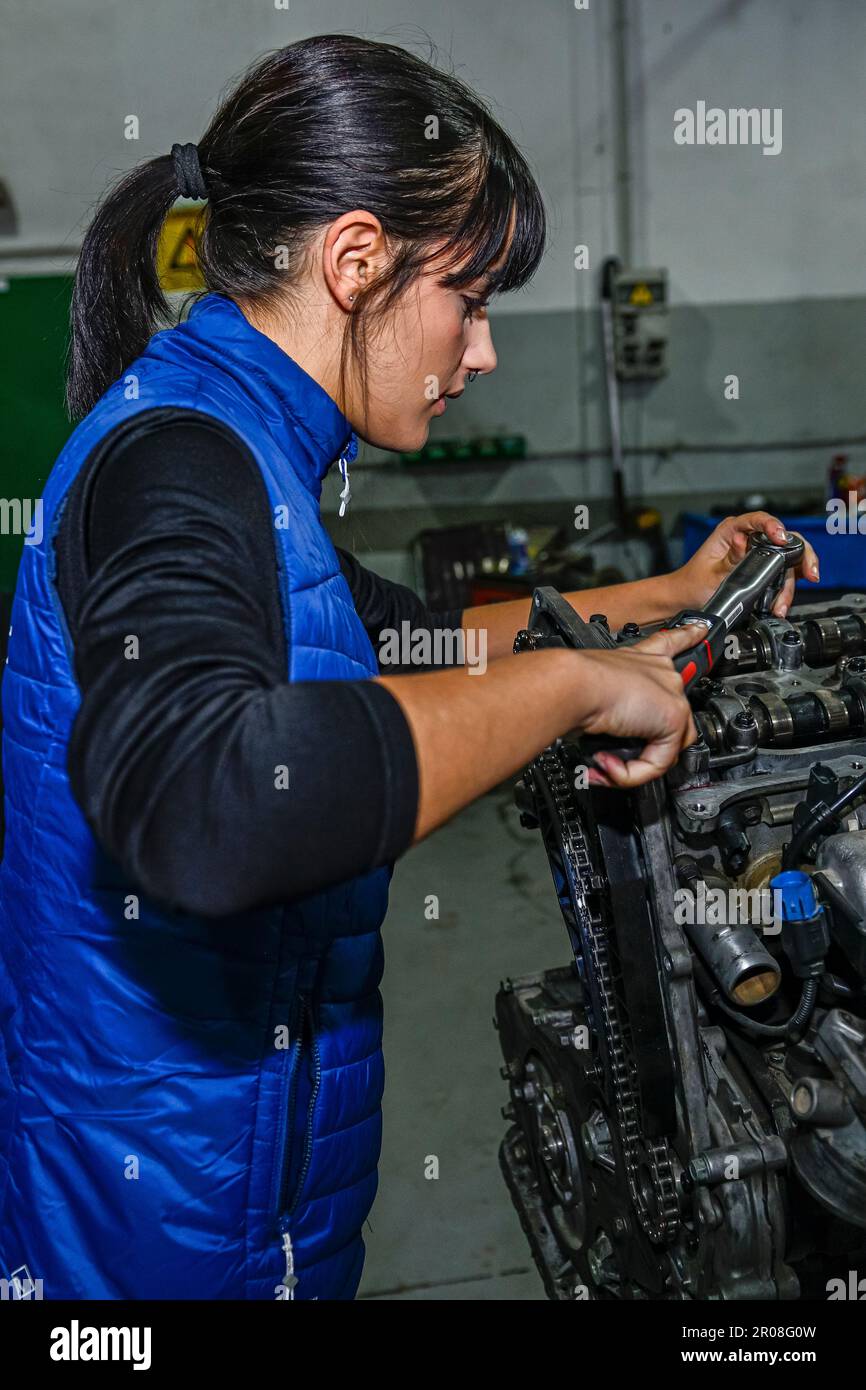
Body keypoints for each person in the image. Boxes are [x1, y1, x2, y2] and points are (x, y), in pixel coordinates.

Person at [0, 34, 818, 1301]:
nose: (481, 350)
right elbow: (203, 801)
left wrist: (669, 592)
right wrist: (575, 687)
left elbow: (408, 639)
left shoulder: (242, 442)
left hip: (243, 1183)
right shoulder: (181, 461)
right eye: (470, 299)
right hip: (158, 1223)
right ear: (355, 261)